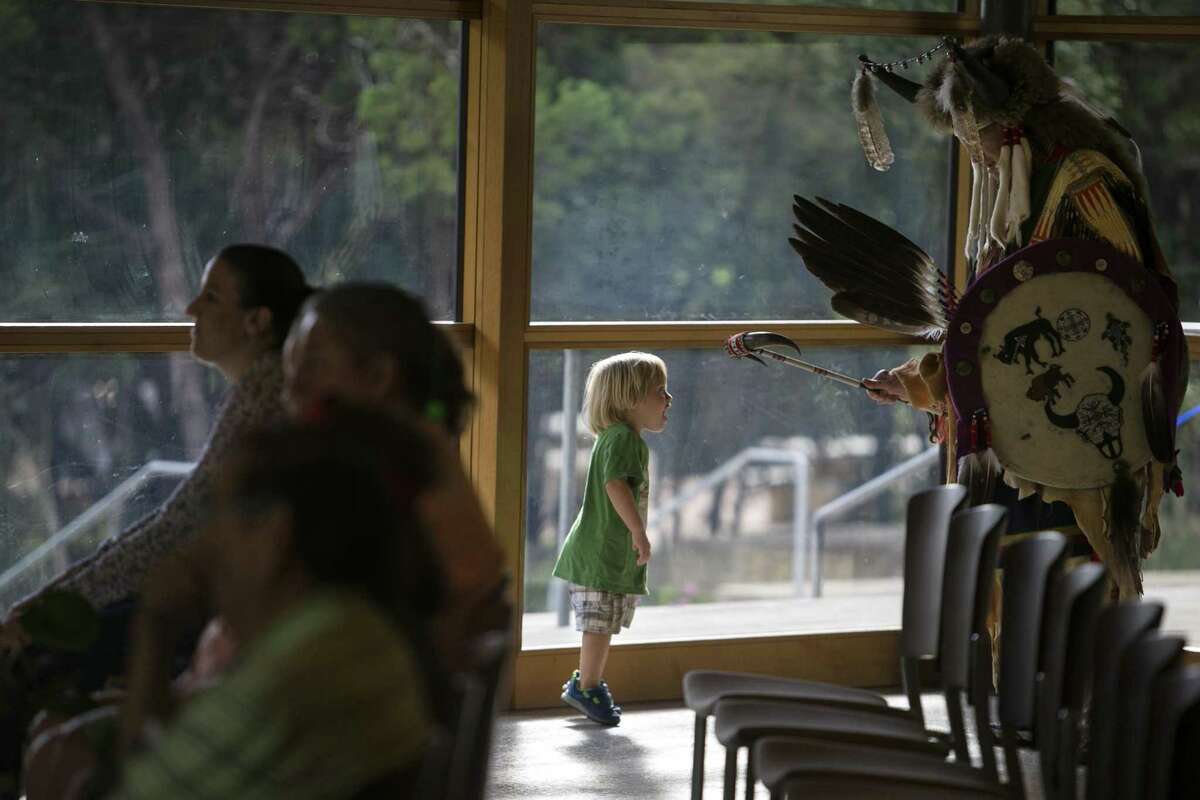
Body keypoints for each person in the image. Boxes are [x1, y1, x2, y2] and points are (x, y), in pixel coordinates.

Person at [843, 35, 1186, 600]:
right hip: (1014, 441)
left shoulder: (1082, 182)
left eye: (974, 136)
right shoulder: (1016, 201)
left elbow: (1122, 318)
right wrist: (917, 382)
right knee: (1014, 600)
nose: (972, 153)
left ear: (1010, 126)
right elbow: (994, 332)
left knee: (1069, 601)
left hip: (1082, 440)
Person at [102, 409, 445, 799]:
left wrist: (154, 627)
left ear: (272, 534)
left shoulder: (296, 670)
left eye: (219, 514)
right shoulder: (356, 632)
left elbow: (135, 791)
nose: (204, 544)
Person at [281, 283, 510, 661]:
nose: (291, 385)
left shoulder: (384, 478)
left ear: (378, 377)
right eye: (290, 365)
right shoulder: (418, 450)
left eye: (313, 365)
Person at [552, 352, 671, 726]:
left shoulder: (624, 439)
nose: (668, 399)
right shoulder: (621, 439)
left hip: (604, 553)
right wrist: (638, 531)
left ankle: (587, 681)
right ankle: (586, 686)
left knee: (602, 624)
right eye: (659, 391)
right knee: (598, 625)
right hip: (598, 552)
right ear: (630, 399)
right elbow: (614, 484)